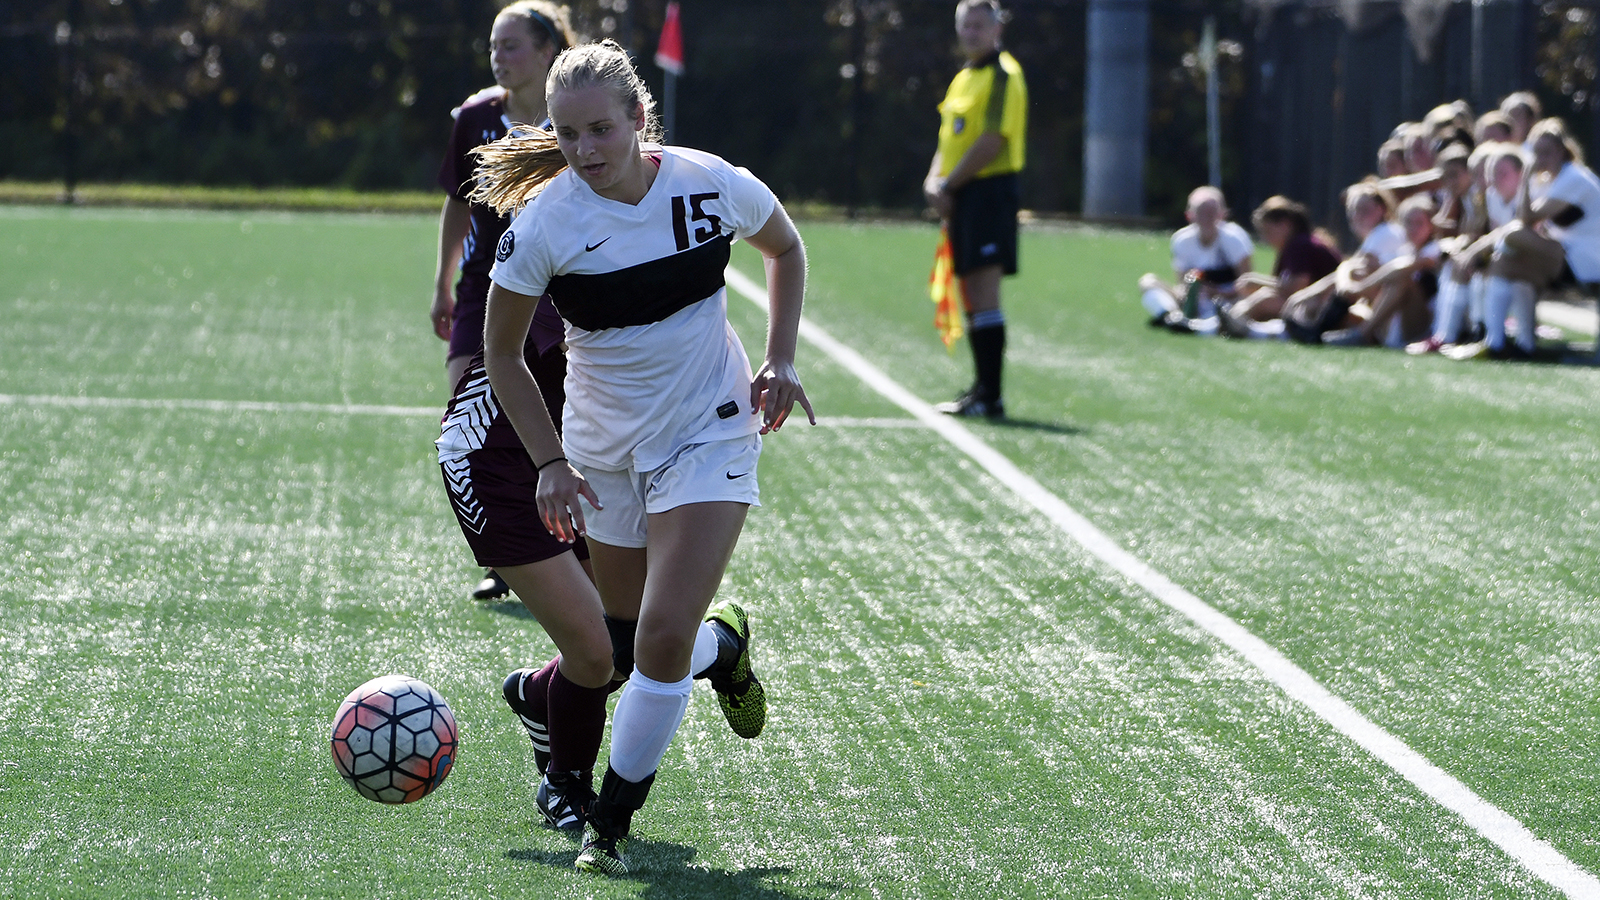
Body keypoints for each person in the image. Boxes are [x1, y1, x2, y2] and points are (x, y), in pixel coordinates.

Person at [469, 39, 813, 875]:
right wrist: (550, 463)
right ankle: (722, 648)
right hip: (602, 453)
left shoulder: (708, 183)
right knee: (628, 649)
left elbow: (785, 247)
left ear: (638, 118)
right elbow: (502, 355)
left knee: (658, 634)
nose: (585, 150)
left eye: (600, 130)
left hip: (709, 429)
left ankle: (609, 824)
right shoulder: (545, 223)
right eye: (567, 134)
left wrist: (780, 358)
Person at [433, 1, 575, 602]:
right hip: (482, 293)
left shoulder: (576, 118)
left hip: (556, 301)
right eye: (494, 46)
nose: (498, 57)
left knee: (555, 424)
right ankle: (507, 558)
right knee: (470, 422)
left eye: (511, 45)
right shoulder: (476, 118)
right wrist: (442, 283)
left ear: (547, 51)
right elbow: (458, 203)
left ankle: (567, 551)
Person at [923, 0, 1028, 420]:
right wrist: (934, 182)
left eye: (979, 26)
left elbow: (992, 141)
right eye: (966, 25)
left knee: (984, 292)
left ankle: (991, 395)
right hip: (962, 194)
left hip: (988, 194)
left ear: (997, 29)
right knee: (970, 292)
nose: (971, 33)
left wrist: (948, 185)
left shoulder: (1004, 75)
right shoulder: (964, 76)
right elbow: (948, 140)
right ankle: (981, 390)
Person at [1138, 185, 1254, 333]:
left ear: (1223, 214)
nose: (1207, 218)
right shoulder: (1181, 240)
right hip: (1195, 299)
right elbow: (1181, 282)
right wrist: (1191, 291)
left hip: (1227, 300)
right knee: (1148, 282)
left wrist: (1217, 292)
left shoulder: (1235, 238)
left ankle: (1210, 326)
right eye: (1201, 212)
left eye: (1212, 212)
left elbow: (1247, 284)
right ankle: (1172, 317)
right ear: (1190, 215)